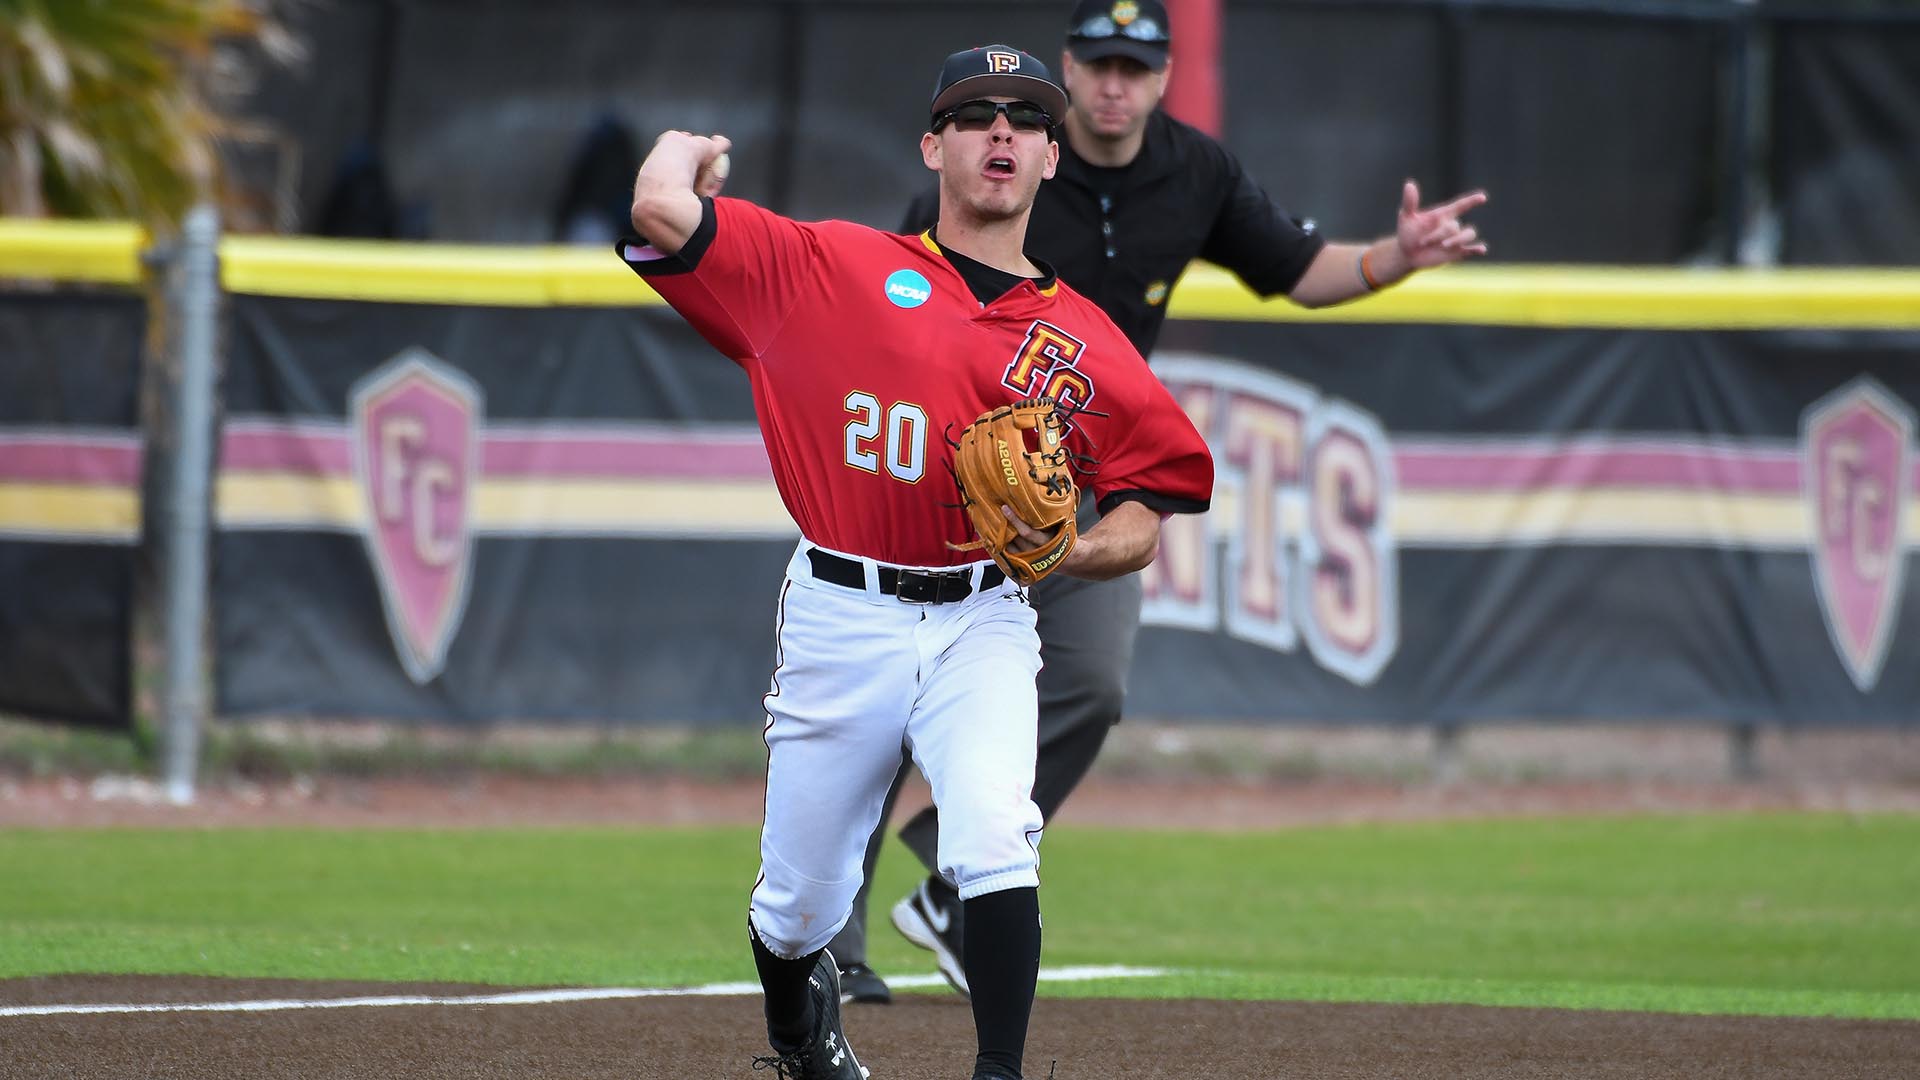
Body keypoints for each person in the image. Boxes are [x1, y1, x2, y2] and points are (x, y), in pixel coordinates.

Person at [831, 0, 1489, 1005]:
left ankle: (960, 872)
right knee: (889, 705)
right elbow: (892, 295)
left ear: (1163, 76)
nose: (1113, 84)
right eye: (1097, 62)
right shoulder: (1003, 161)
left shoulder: (1196, 174)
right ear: (1069, 68)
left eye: (1134, 67)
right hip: (956, 464)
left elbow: (1297, 270)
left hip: (1086, 473)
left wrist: (1393, 256)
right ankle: (836, 939)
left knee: (1093, 683)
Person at [619, 43, 1213, 1080]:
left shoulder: (1087, 346)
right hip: (842, 613)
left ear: (1051, 157)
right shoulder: (831, 267)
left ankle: (999, 1071)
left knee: (994, 837)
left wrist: (1071, 547)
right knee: (795, 905)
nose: (1002, 133)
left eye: (1027, 119)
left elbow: (1150, 508)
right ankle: (802, 1034)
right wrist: (682, 151)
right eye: (975, 114)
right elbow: (661, 212)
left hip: (984, 614)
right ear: (932, 144)